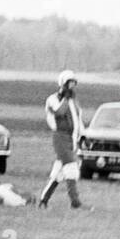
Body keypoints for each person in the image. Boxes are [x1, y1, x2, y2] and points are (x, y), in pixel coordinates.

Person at [38, 69, 85, 209]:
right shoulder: (53, 99)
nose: (71, 86)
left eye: (73, 83)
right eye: (69, 83)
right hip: (60, 137)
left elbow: (78, 119)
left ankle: (43, 200)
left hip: (72, 139)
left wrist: (83, 136)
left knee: (58, 173)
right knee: (71, 169)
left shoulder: (73, 100)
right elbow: (59, 112)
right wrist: (65, 98)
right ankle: (75, 202)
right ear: (63, 83)